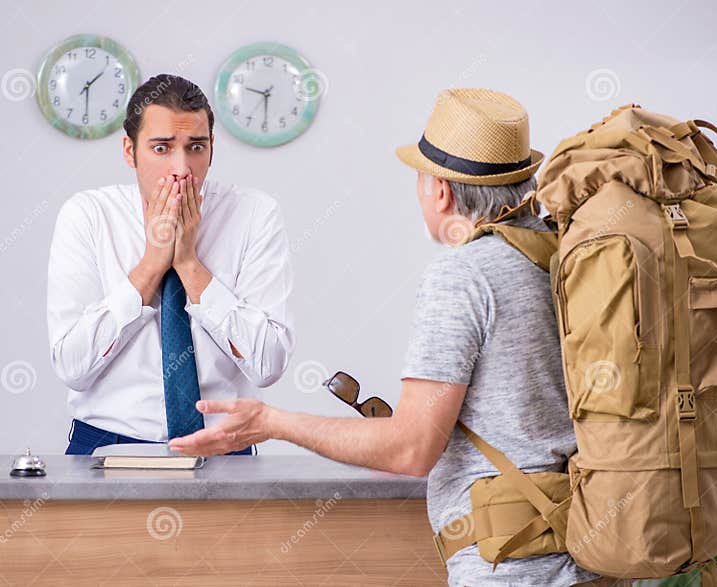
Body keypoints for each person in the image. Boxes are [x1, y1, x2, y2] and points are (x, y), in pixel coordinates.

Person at [169, 89, 630, 585]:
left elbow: (410, 450)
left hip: (514, 567)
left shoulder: (464, 274)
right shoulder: (567, 258)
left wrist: (271, 421)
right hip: (594, 555)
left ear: (440, 192)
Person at [47, 74, 294, 456]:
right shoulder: (88, 216)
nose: (182, 168)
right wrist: (151, 264)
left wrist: (189, 263)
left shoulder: (254, 215)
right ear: (129, 152)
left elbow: (267, 366)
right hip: (105, 444)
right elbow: (73, 368)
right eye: (162, 148)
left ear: (212, 148)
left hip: (223, 445)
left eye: (195, 147)